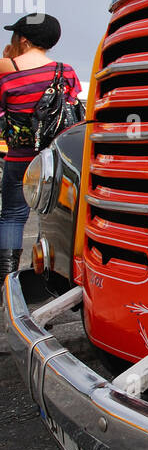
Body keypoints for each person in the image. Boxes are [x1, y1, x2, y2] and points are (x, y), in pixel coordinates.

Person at [0, 14, 82, 285]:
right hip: (51, 160)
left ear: (23, 39)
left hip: (18, 157)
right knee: (46, 217)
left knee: (12, 215)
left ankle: (6, 278)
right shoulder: (65, 71)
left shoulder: (5, 69)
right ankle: (41, 278)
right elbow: (72, 112)